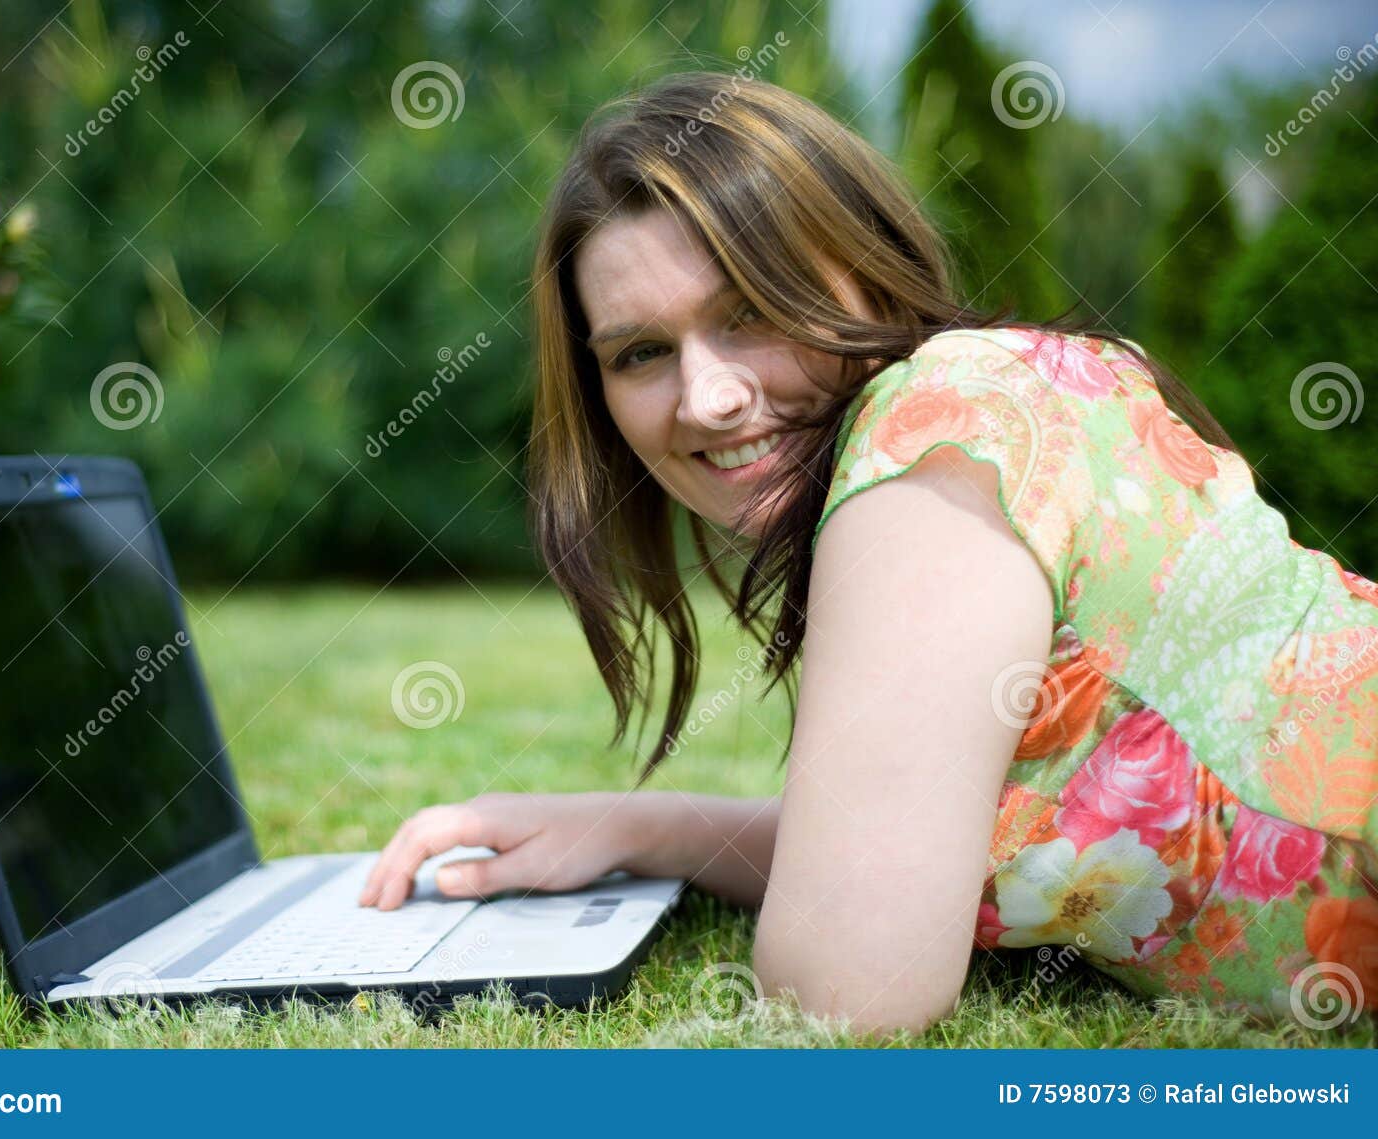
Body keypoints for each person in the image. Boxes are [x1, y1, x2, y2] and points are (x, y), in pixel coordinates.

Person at [358, 71, 1378, 1033]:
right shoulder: (998, 390)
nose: (707, 396)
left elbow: (854, 985)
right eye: (641, 352)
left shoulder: (936, 437)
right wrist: (634, 829)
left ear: (870, 265)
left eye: (750, 309)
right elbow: (907, 848)